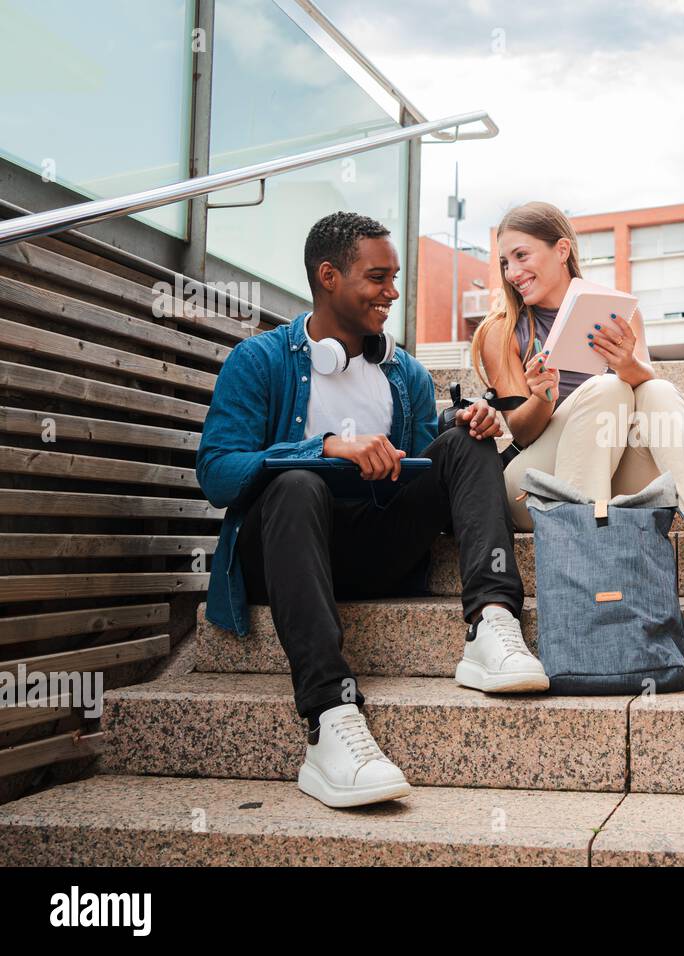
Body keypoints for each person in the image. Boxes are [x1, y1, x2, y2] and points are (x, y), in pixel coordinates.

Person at [197, 211, 547, 810]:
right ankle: (330, 714)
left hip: (372, 550)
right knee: (297, 484)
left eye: (395, 278)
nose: (392, 292)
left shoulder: (402, 370)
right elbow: (218, 473)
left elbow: (421, 467)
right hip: (283, 553)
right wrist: (322, 448)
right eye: (377, 278)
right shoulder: (259, 361)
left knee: (467, 440)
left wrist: (472, 423)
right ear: (328, 276)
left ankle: (492, 623)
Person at [470, 201, 684, 600]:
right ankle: (585, 553)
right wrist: (545, 397)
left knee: (656, 388)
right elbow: (521, 432)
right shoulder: (503, 329)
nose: (513, 273)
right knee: (608, 389)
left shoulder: (618, 311)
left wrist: (628, 363)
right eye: (505, 262)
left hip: (613, 475)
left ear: (561, 250)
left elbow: (649, 394)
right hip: (533, 488)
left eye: (521, 256)